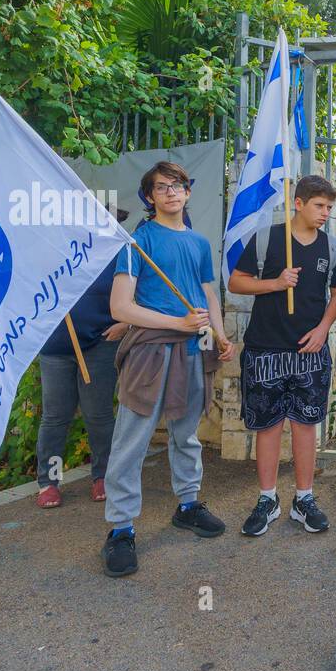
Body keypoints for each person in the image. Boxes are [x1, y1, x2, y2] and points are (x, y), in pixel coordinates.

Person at [100, 161, 235, 577]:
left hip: (193, 349)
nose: (171, 192)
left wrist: (219, 332)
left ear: (188, 192)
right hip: (150, 351)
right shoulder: (137, 244)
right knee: (131, 440)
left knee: (186, 433)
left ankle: (188, 504)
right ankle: (121, 530)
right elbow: (120, 307)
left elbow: (206, 292)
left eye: (177, 185)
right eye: (162, 187)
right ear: (150, 197)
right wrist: (175, 323)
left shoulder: (198, 242)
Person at [228, 175, 336, 537]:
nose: (325, 213)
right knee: (268, 427)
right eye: (319, 206)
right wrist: (276, 284)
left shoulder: (332, 247)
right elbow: (236, 281)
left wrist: (325, 327)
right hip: (265, 349)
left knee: (306, 425)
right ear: (299, 203)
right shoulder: (267, 239)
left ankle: (304, 499)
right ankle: (267, 499)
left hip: (310, 352)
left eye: (329, 207)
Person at [34, 206, 131, 509]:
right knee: (55, 417)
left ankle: (103, 476)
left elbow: (136, 295)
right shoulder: (54, 250)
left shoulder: (120, 253)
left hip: (101, 343)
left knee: (99, 414)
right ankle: (49, 481)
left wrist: (125, 324)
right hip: (55, 346)